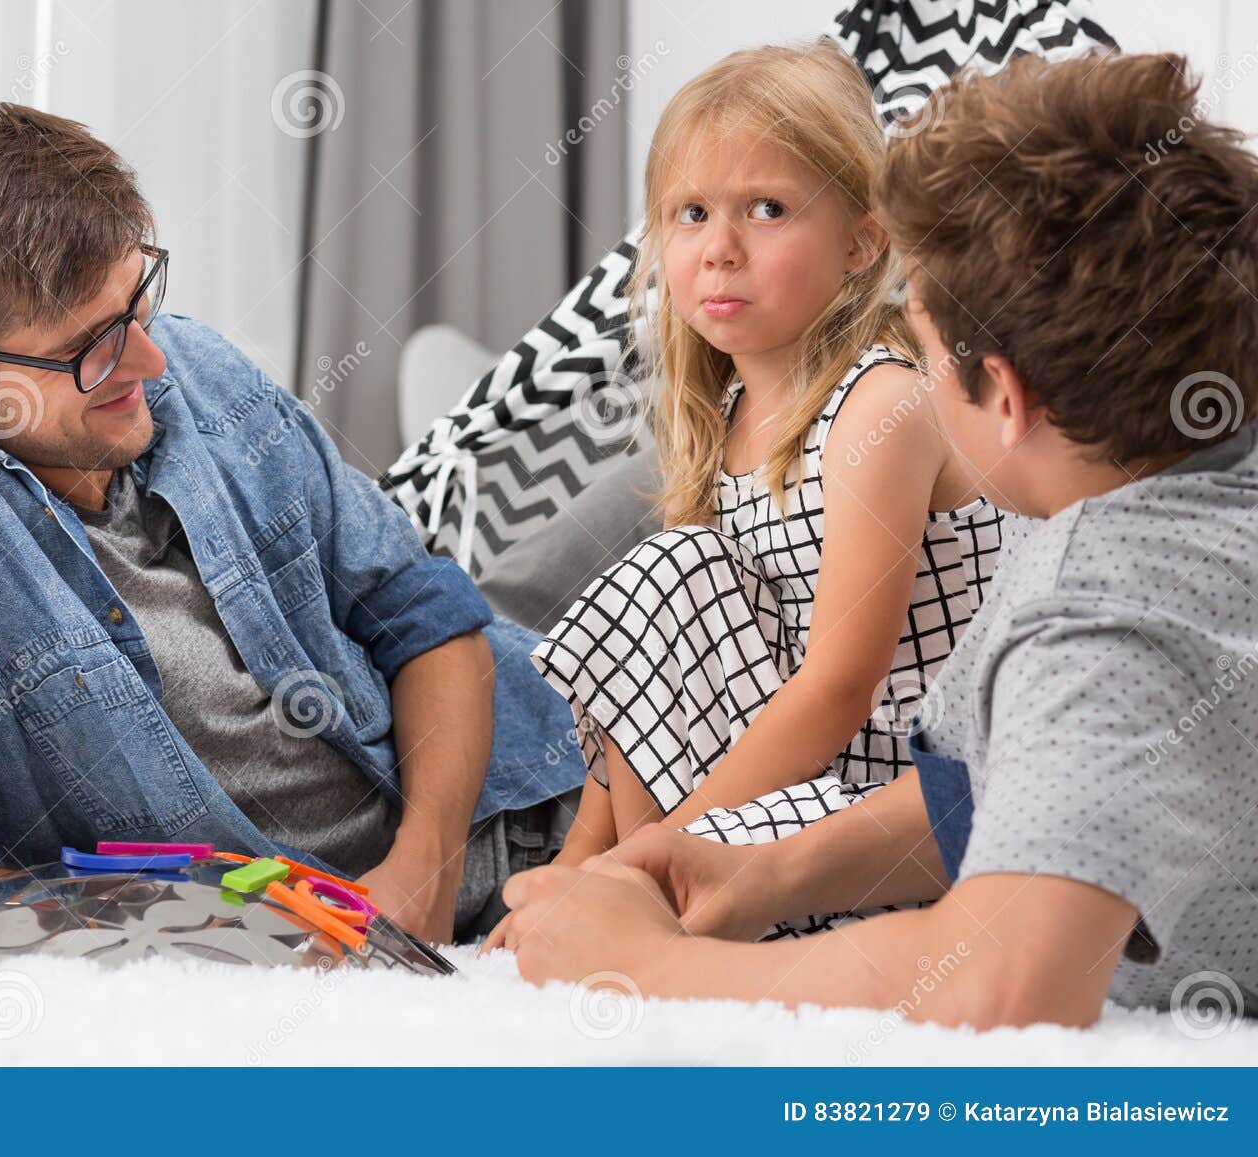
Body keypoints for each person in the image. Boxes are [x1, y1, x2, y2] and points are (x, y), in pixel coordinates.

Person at [500, 50, 1258, 1027]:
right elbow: (981, 784)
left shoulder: (1103, 619)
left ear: (1007, 400)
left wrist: (649, 965)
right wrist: (762, 870)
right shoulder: (1142, 487)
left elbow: (1012, 976)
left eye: (923, 347)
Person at [0, 100, 583, 943]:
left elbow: (423, 610)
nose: (151, 360)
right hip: (368, 942)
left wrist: (427, 864)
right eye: (87, 348)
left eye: (136, 301)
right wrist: (210, 925)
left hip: (547, 789)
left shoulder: (194, 366)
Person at [528, 40, 998, 880]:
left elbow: (839, 689)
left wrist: (654, 857)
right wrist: (582, 858)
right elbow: (647, 662)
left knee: (674, 570)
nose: (720, 247)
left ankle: (653, 888)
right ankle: (632, 890)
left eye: (768, 209)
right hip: (789, 780)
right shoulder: (725, 414)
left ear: (861, 243)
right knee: (671, 568)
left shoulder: (879, 408)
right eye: (691, 213)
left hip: (898, 806)